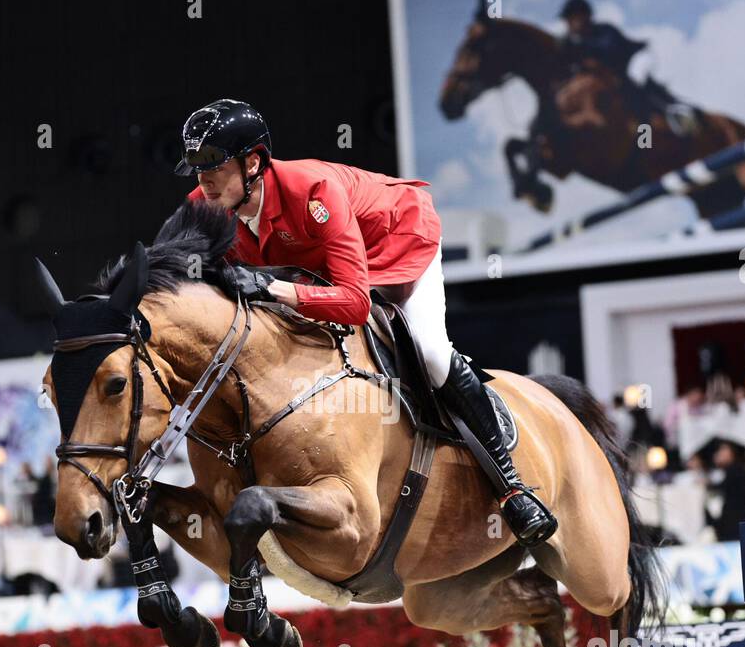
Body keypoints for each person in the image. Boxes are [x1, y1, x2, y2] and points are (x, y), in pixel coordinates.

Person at [176, 98, 556, 546]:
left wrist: (274, 289)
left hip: (396, 242)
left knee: (430, 351)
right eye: (197, 168)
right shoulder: (204, 204)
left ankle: (512, 486)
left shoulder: (314, 191)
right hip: (323, 271)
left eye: (215, 166)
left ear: (254, 162)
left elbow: (355, 303)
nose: (204, 180)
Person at [558, 0, 691, 132]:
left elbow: (610, 52)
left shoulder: (604, 30)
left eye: (571, 18)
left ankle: (674, 109)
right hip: (616, 72)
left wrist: (579, 46)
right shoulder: (572, 41)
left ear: (585, 16)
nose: (568, 24)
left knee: (635, 77)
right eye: (567, 20)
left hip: (636, 58)